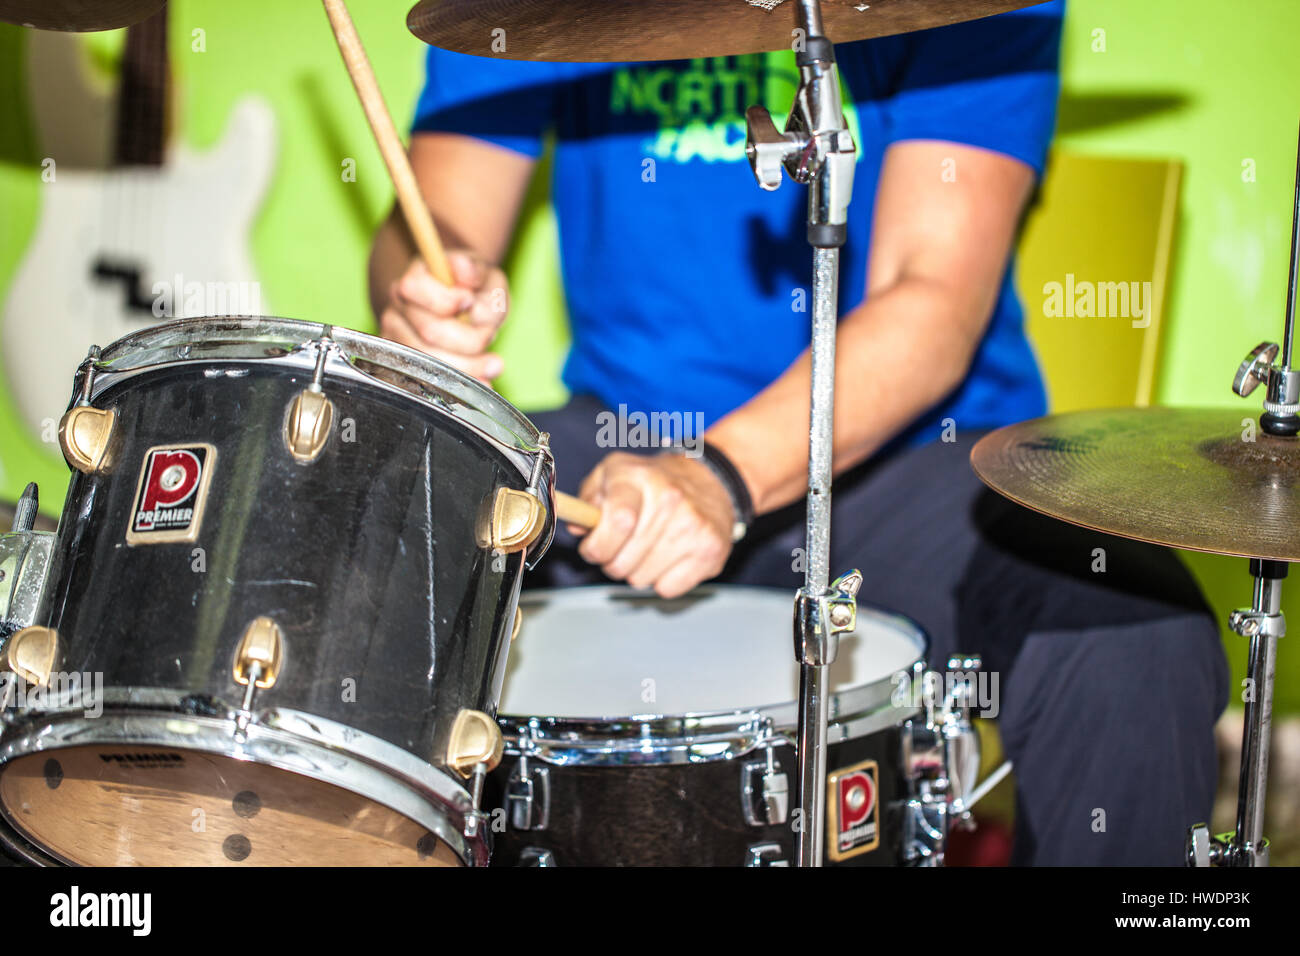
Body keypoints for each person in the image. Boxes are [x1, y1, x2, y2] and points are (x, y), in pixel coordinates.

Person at [369, 1, 1227, 865]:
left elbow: (929, 293)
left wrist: (722, 477)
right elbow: (434, 218)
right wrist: (421, 286)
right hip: (621, 438)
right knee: (370, 526)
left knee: (1131, 624)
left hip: (911, 451)